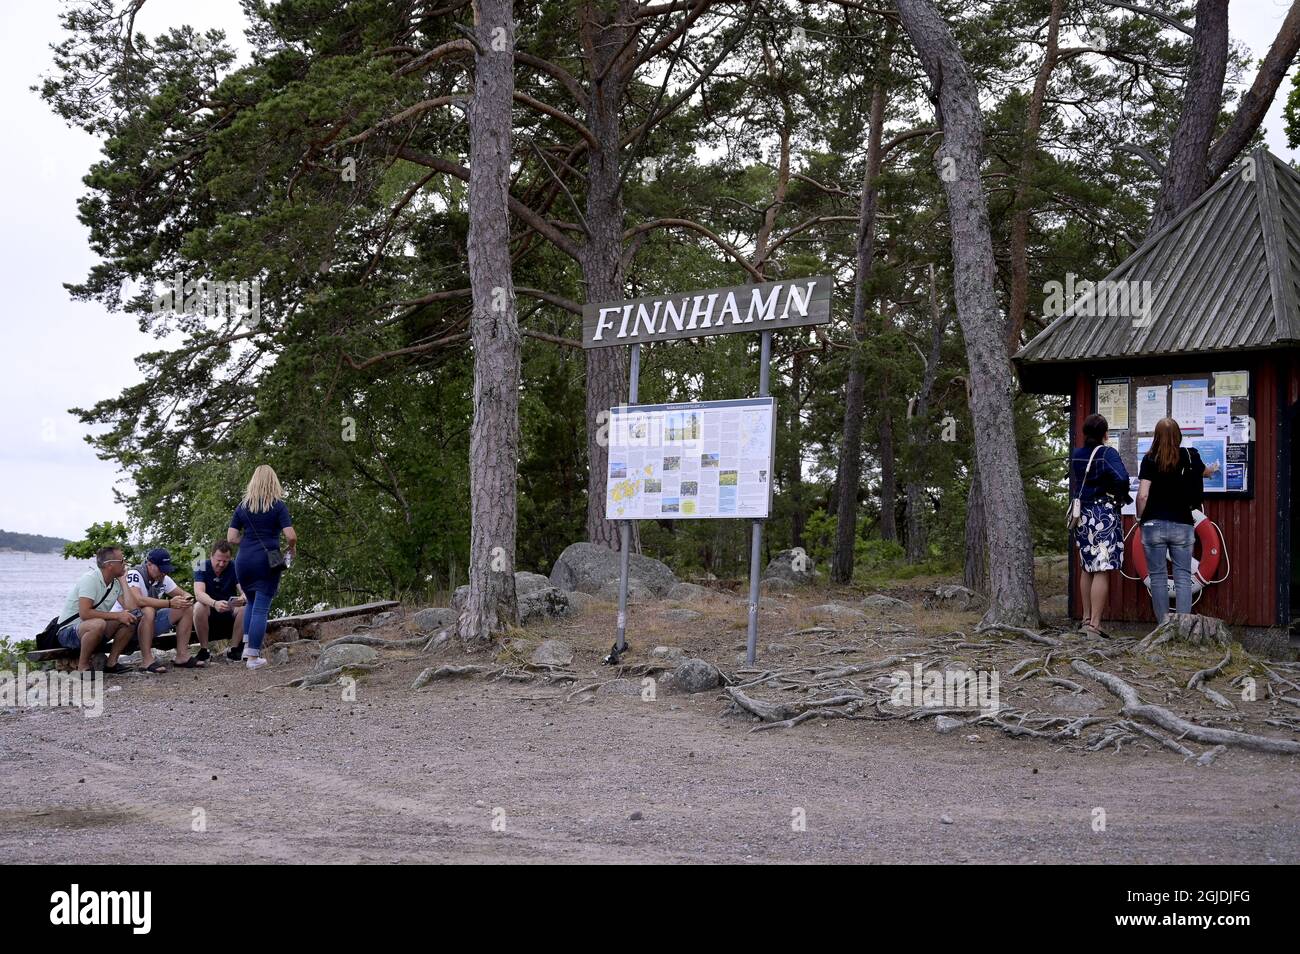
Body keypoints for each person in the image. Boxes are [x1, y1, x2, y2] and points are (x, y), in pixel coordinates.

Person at [1135, 417, 1220, 623]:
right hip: (1182, 523)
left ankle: (1164, 626)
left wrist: (1140, 518)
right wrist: (1214, 469)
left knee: (1158, 577)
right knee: (1183, 576)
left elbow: (1143, 495)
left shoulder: (1149, 459)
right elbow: (1206, 472)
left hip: (1153, 524)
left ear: (1156, 436)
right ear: (1178, 435)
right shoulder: (1189, 456)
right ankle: (1182, 626)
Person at [229, 464, 296, 670]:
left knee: (250, 602)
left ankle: (248, 648)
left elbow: (231, 538)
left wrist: (248, 543)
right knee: (260, 608)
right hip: (267, 560)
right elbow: (291, 535)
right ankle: (253, 658)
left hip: (243, 561)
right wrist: (290, 549)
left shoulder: (242, 506)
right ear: (273, 482)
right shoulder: (278, 506)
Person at [1069, 413, 1131, 638]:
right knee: (1102, 568)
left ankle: (1086, 619)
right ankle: (1095, 624)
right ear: (1105, 434)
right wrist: (1118, 494)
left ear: (1085, 433)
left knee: (1087, 566)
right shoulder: (1107, 453)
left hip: (1083, 515)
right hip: (1102, 515)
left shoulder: (1077, 454)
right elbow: (1122, 479)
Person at [52, 545, 140, 672]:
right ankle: (83, 666)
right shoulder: (90, 579)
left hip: (94, 630)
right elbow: (85, 614)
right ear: (110, 565)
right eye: (121, 561)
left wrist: (123, 581)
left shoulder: (115, 583)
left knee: (130, 619)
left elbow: (132, 608)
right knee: (98, 624)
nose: (125, 563)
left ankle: (111, 663)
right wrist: (118, 615)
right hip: (68, 633)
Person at [115, 548, 202, 672]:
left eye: (166, 569)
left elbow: (184, 593)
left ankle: (182, 656)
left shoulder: (163, 578)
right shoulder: (134, 574)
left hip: (149, 624)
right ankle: (147, 660)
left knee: (186, 607)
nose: (164, 573)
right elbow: (139, 601)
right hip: (127, 624)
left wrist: (187, 599)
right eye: (161, 568)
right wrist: (169, 603)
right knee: (148, 610)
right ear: (149, 564)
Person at [193, 540, 248, 661]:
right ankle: (204, 650)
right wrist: (214, 603)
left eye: (225, 561)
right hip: (208, 612)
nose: (222, 564)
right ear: (211, 556)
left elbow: (245, 591)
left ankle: (234, 650)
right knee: (198, 606)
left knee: (245, 609)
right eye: (219, 560)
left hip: (229, 611)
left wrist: (242, 598)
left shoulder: (234, 566)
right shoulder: (201, 565)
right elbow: (198, 593)